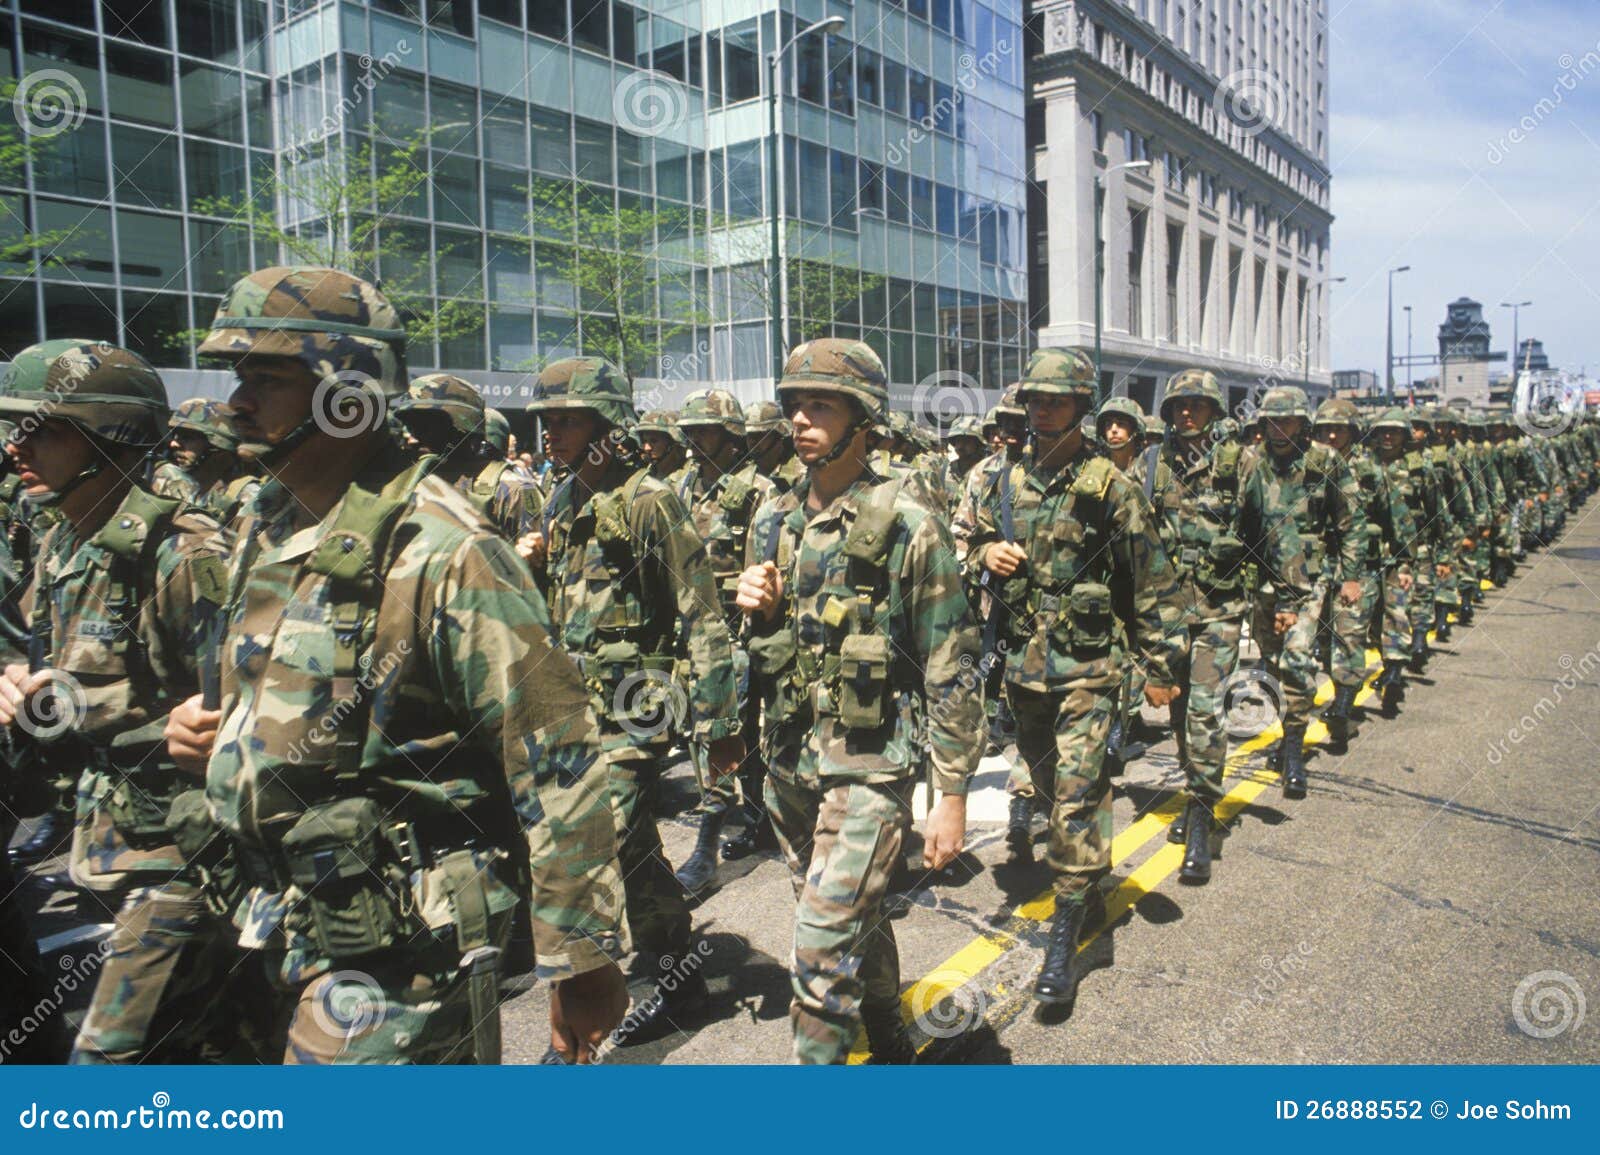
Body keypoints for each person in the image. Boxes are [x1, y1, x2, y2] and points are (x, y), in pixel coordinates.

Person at [162, 267, 630, 1064]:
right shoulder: (262, 520)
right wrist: (211, 732)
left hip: (395, 949)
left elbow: (555, 758)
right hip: (263, 911)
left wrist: (581, 958)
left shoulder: (445, 548)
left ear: (349, 394)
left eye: (266, 379)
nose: (237, 401)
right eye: (238, 375)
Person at [0, 339, 247, 1064]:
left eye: (42, 429)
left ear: (109, 436)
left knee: (107, 1066)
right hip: (113, 844)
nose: (18, 447)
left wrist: (77, 704)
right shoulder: (64, 544)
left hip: (186, 856)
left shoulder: (184, 552)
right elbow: (46, 658)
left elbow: (241, 713)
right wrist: (19, 684)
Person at [737, 338, 978, 1063]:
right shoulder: (774, 518)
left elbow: (950, 662)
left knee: (818, 947)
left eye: (821, 405)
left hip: (871, 765)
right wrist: (755, 607)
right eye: (794, 406)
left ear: (862, 418)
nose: (801, 419)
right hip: (789, 761)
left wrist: (954, 792)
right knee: (849, 921)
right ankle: (886, 1026)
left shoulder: (908, 521)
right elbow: (765, 649)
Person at [523, 356, 743, 1046]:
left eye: (567, 419)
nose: (553, 432)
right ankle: (683, 979)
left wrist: (719, 722)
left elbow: (701, 611)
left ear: (604, 424)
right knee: (638, 855)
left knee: (592, 844)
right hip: (572, 709)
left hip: (636, 707)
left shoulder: (649, 499)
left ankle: (574, 1025)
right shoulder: (559, 499)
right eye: (548, 420)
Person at [967, 348, 1181, 1005]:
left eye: (1055, 401)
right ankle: (1089, 885)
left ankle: (1070, 939)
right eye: (1034, 400)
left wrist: (1160, 666)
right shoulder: (1002, 479)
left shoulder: (1111, 486)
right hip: (1024, 673)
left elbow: (1150, 580)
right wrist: (983, 554)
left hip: (1091, 667)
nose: (1041, 411)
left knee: (1078, 795)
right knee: (1052, 784)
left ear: (1081, 408)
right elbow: (965, 545)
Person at [671, 388, 775, 886]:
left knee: (733, 730)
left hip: (737, 632)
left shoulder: (759, 490)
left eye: (704, 430)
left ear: (730, 434)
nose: (694, 440)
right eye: (689, 430)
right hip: (689, 630)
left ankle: (718, 837)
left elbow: (765, 565)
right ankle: (744, 820)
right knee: (711, 731)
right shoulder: (676, 487)